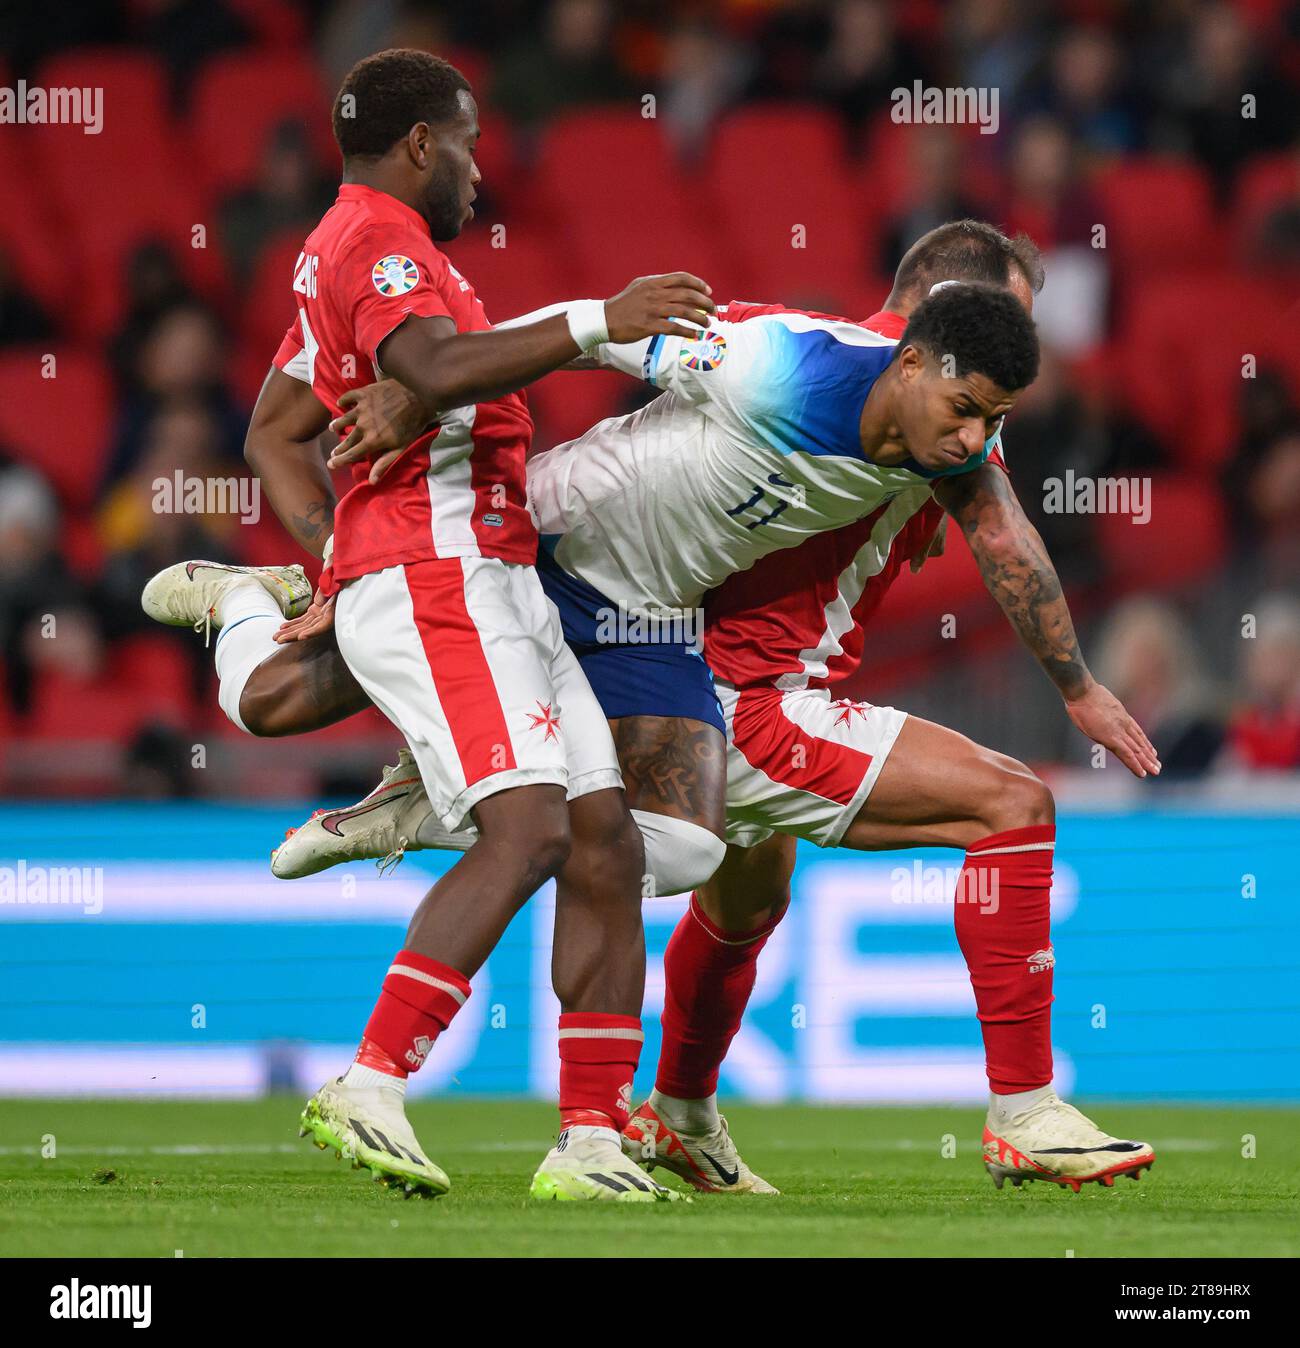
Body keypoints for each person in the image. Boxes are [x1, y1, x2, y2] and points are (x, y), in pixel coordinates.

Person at [152, 214, 1158, 1193]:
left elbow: (1006, 535)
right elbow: (604, 335)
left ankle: (652, 1110)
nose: (991, 421)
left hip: (653, 630)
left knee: (722, 874)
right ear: (926, 334)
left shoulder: (951, 441)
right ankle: (1019, 1110)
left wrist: (1074, 680)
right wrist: (423, 395)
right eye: (982, 363)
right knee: (281, 699)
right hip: (573, 572)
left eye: (1004, 401)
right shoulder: (781, 360)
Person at [141, 48, 716, 1203]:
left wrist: (329, 556)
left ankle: (593, 1137)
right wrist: (596, 322)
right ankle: (371, 1079)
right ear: (418, 144)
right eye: (466, 143)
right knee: (530, 832)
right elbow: (434, 366)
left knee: (602, 837)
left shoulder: (345, 252)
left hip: (484, 571)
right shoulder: (381, 247)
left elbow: (273, 429)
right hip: (440, 569)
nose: (478, 169)